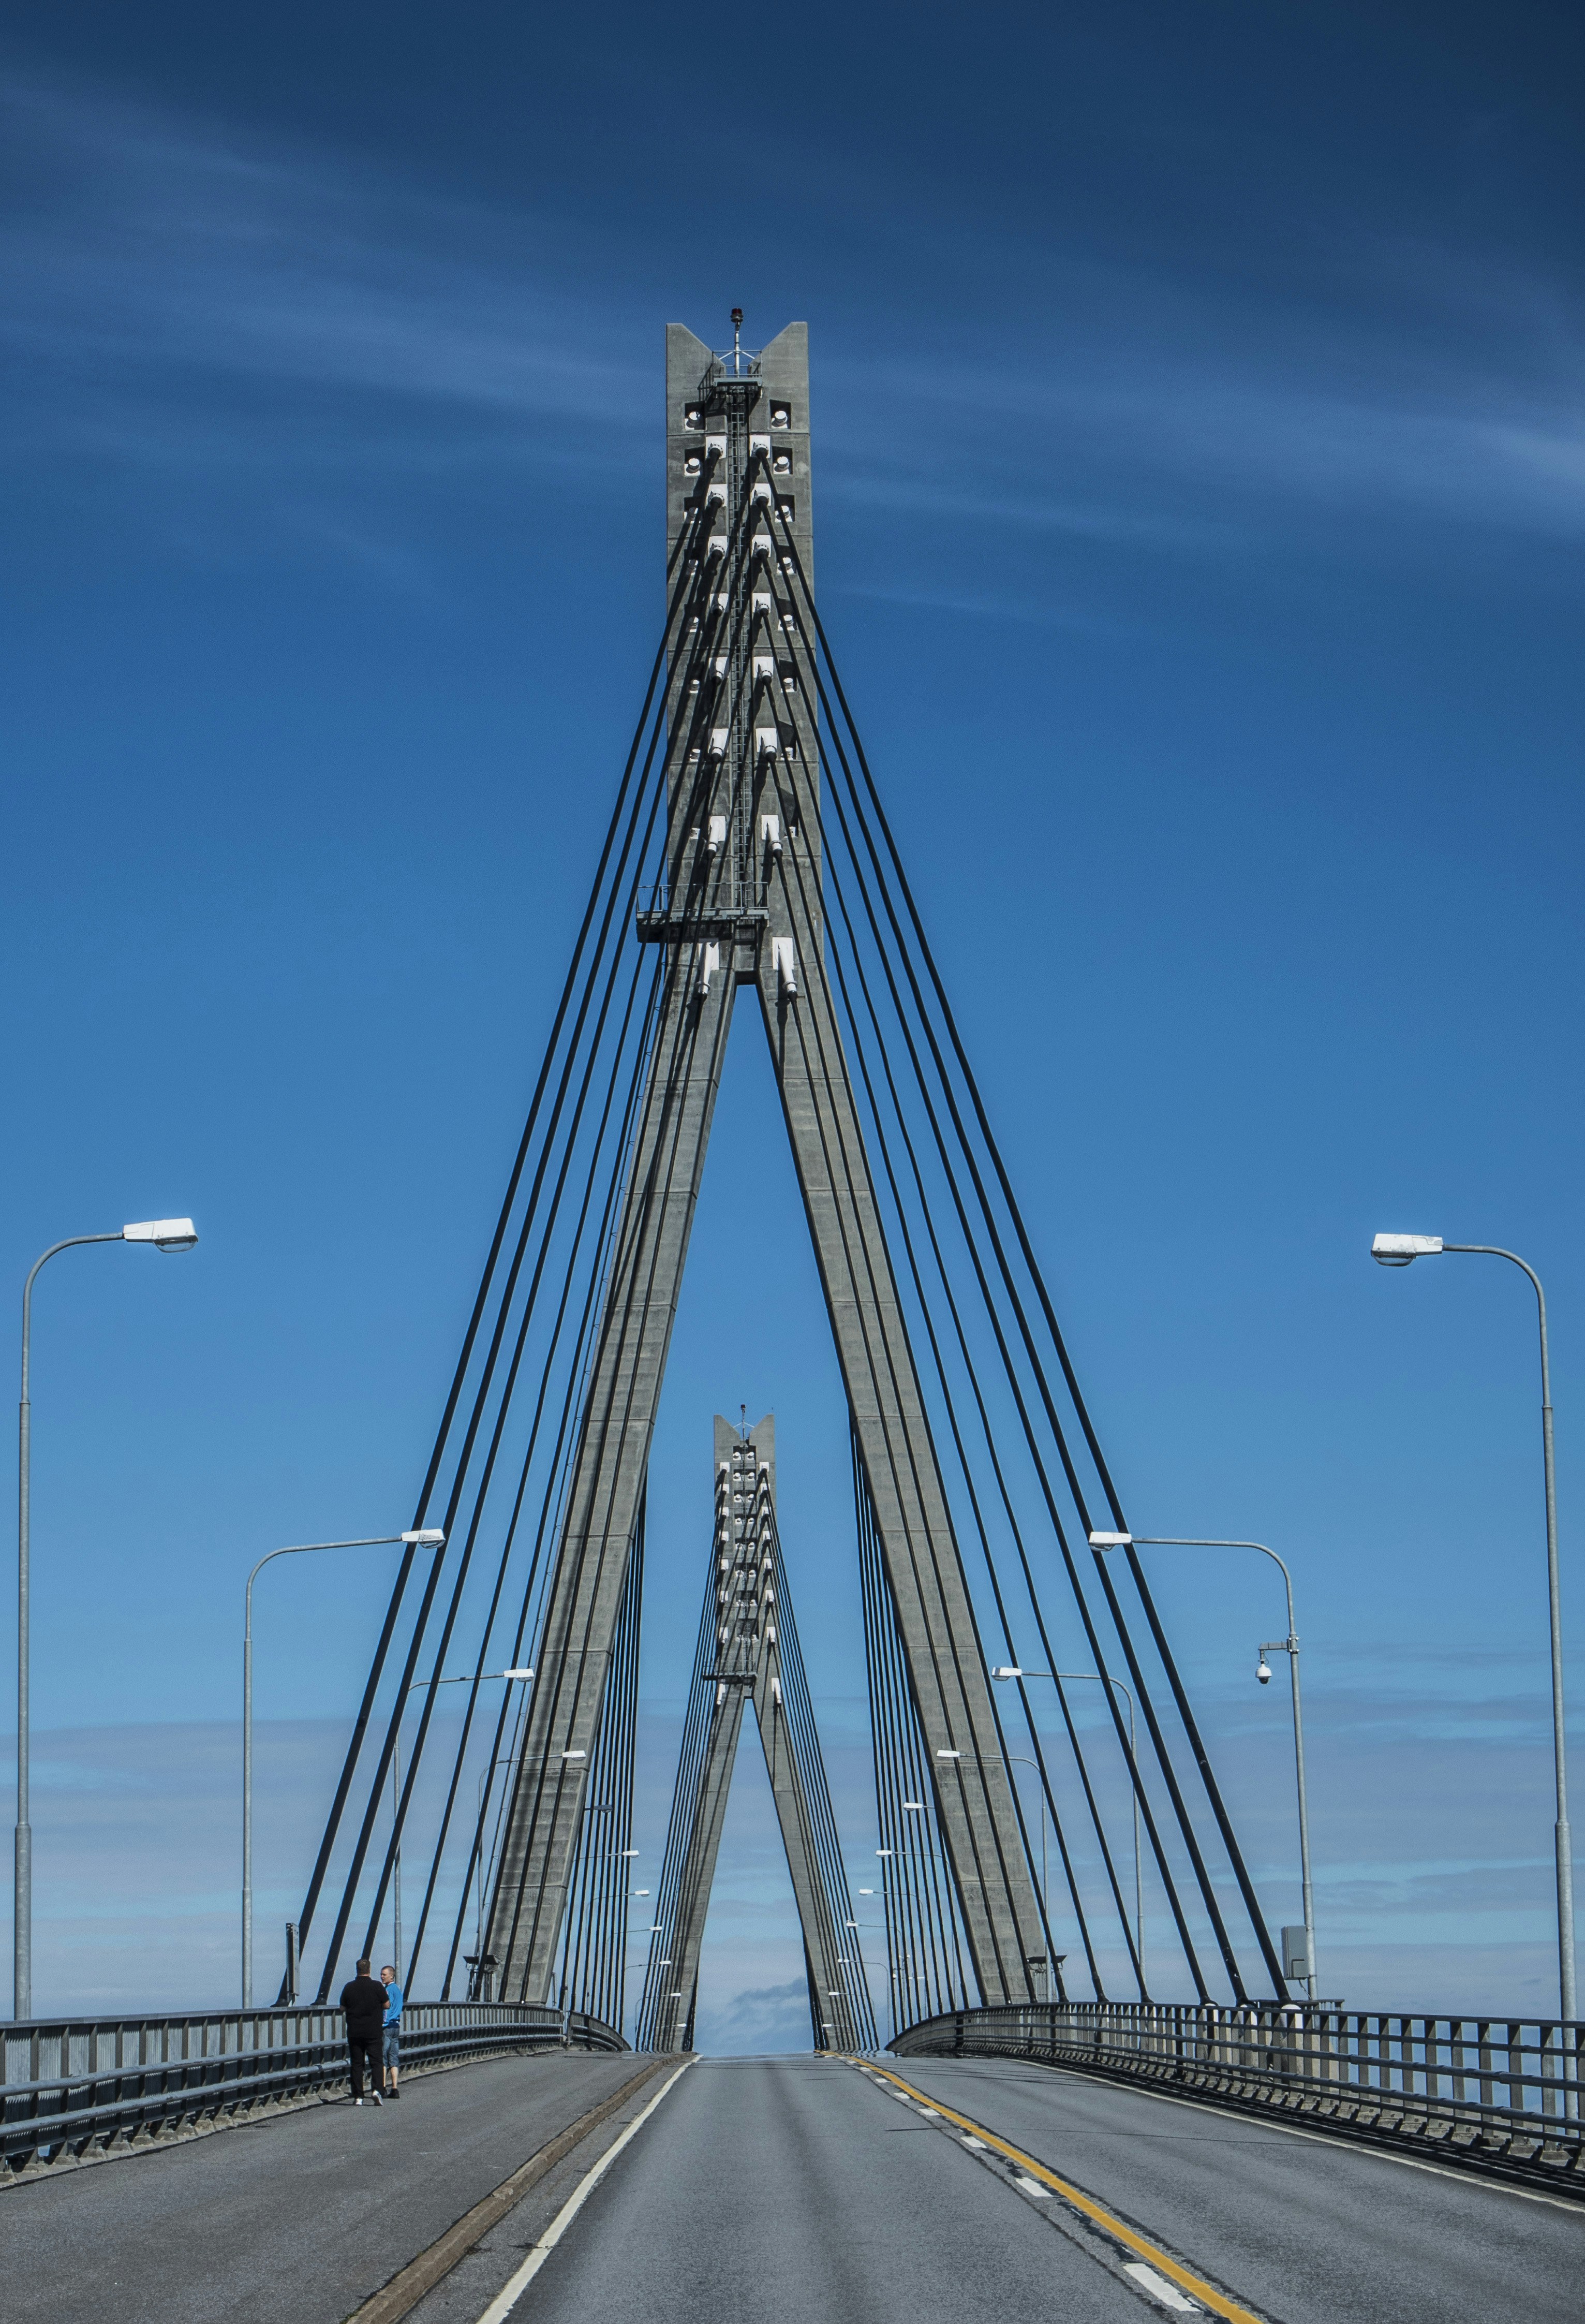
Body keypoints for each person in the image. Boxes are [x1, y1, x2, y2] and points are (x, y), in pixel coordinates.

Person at [339, 1958, 387, 2106]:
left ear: (357, 1970)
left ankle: (358, 2097)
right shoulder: (377, 1986)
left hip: (355, 2031)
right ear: (369, 1970)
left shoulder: (349, 1987)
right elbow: (386, 2005)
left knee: (357, 2064)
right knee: (377, 2062)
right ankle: (376, 2091)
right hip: (373, 2031)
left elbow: (342, 2008)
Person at [380, 1963, 404, 2098]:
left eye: (384, 1975)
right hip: (397, 2026)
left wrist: (382, 2024)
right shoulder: (398, 1990)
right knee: (394, 2058)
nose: (382, 1977)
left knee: (383, 2058)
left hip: (388, 2027)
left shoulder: (388, 1990)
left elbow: (386, 2011)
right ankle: (395, 2089)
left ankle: (383, 2088)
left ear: (391, 1976)